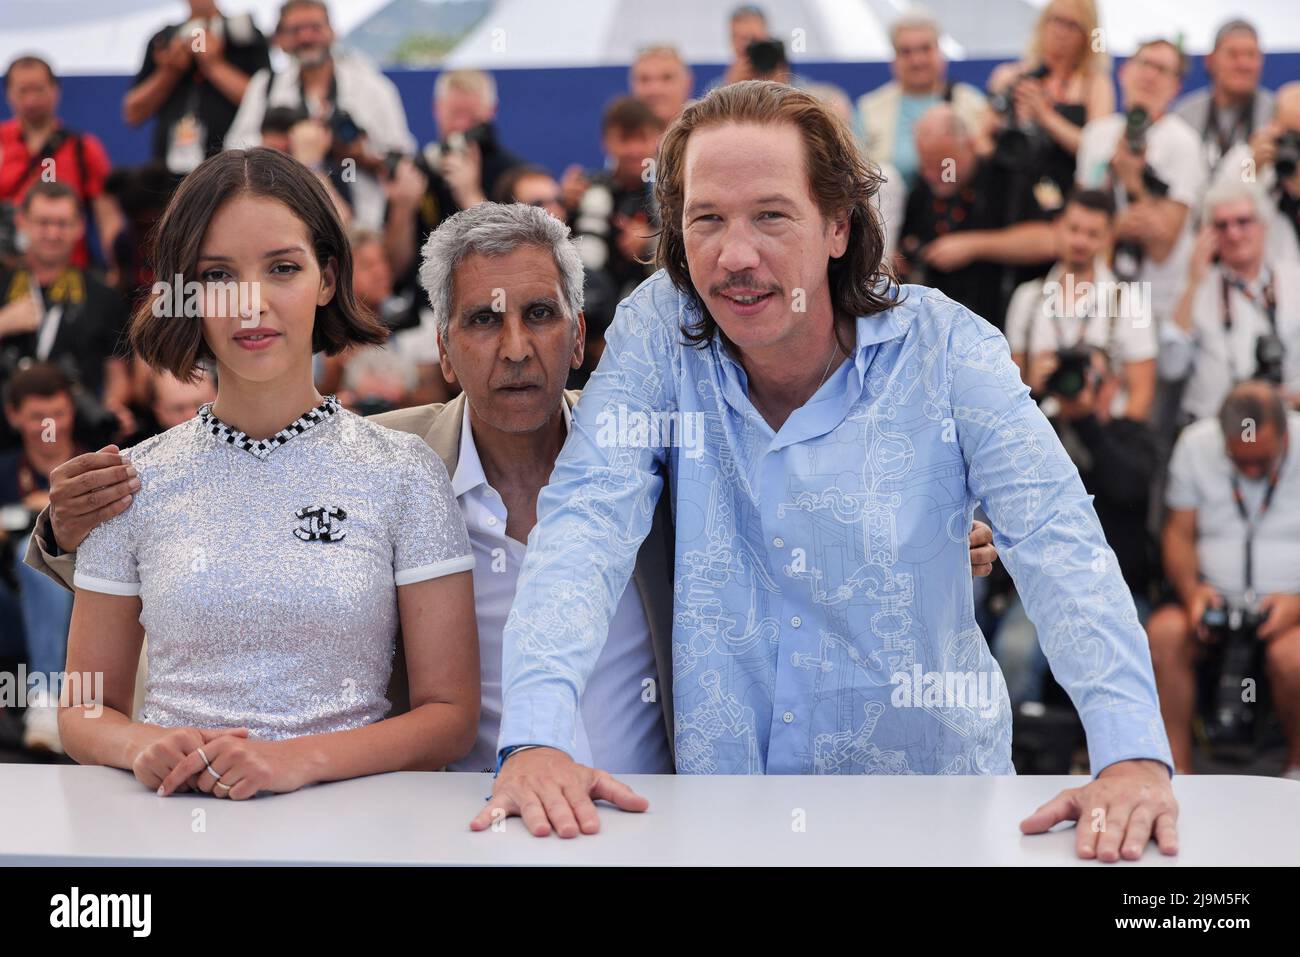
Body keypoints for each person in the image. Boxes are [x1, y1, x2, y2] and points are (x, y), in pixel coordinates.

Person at [474, 81, 1177, 863]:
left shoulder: (947, 352)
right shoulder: (658, 331)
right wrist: (534, 736)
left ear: (839, 224)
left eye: (771, 216)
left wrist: (1130, 754)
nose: (734, 256)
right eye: (706, 219)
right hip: (723, 823)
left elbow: (1056, 537)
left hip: (938, 815)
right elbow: (585, 519)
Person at [52, 147, 479, 799]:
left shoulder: (402, 473)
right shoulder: (133, 481)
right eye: (220, 274)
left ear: (328, 278)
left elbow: (449, 717)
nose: (251, 304)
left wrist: (297, 760)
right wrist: (142, 745)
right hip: (172, 834)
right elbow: (84, 709)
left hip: (354, 838)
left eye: (282, 268)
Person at [1147, 381, 1300, 777]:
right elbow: (1179, 533)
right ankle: (1176, 770)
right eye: (1239, 461)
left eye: (1261, 462)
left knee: (1292, 658)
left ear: (1285, 433)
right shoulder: (1196, 446)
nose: (1250, 471)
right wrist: (1191, 591)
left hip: (1290, 606)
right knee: (1163, 634)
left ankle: (1295, 769)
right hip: (1214, 601)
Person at [224, 0, 414, 229]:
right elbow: (233, 152)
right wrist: (280, 148)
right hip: (283, 220)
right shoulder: (266, 86)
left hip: (364, 228)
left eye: (315, 28)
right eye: (295, 31)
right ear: (281, 40)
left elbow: (402, 158)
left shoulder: (372, 88)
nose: (306, 38)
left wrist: (359, 154)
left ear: (333, 32)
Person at [1075, 39, 1205, 327]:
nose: (1150, 75)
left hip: (1158, 303)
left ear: (1176, 86)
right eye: (1144, 63)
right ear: (1124, 72)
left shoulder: (1184, 142)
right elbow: (1078, 228)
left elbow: (1162, 246)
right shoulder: (1096, 135)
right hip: (1097, 301)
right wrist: (1121, 223)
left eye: (1162, 69)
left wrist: (1133, 183)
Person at [896, 105, 1056, 327]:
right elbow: (905, 247)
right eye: (925, 165)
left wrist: (972, 246)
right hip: (938, 324)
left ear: (969, 146)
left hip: (1001, 318)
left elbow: (1049, 240)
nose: (932, 175)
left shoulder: (1006, 179)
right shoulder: (923, 190)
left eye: (943, 164)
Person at [1005, 189, 1156, 422]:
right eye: (1073, 229)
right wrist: (1035, 382)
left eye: (1093, 234)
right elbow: (1010, 386)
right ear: (1058, 226)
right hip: (1040, 432)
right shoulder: (1027, 299)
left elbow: (1141, 394)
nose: (1080, 241)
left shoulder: (1130, 301)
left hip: (1102, 435)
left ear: (1109, 237)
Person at [0, 182, 132, 434]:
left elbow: (118, 375)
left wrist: (111, 407)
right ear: (22, 222)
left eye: (62, 223)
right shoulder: (2, 285)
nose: (52, 233)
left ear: (80, 226)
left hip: (78, 437)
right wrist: (3, 323)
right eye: (43, 222)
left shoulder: (104, 296)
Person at [0, 362, 85, 753]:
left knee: (32, 550)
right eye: (37, 416)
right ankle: (44, 700)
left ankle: (46, 697)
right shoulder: (4, 472)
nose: (49, 425)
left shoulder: (100, 463)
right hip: (18, 601)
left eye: (59, 413)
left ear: (73, 410)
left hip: (94, 593)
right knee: (26, 553)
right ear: (13, 415)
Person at [1164, 181, 1300, 423]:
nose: (1233, 234)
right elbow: (1171, 366)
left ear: (1264, 225)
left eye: (1243, 222)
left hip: (1287, 424)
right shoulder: (1195, 288)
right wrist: (1193, 281)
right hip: (1214, 427)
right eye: (1221, 226)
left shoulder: (1294, 281)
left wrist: (1289, 399)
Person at [384, 69, 525, 283]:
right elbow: (393, 272)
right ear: (436, 109)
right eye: (454, 115)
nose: (461, 127)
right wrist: (402, 209)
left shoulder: (514, 175)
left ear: (492, 112)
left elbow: (516, 267)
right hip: (424, 306)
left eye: (472, 118)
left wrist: (471, 197)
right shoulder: (418, 172)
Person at [980, 0, 1114, 211]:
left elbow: (1097, 152)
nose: (1061, 33)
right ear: (1043, 23)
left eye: (1072, 25)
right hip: (1006, 189)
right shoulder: (1009, 76)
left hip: (1064, 198)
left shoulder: (1095, 84)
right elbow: (980, 139)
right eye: (1056, 21)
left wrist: (1045, 116)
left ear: (1088, 34)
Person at [1, 56, 123, 270]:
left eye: (38, 90)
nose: (31, 101)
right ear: (8, 94)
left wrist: (117, 268)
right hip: (6, 272)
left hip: (70, 274)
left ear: (56, 90)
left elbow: (108, 218)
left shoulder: (84, 148)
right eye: (22, 91)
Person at [122, 0, 270, 175]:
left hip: (233, 169)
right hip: (169, 172)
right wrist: (170, 71)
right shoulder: (164, 39)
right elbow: (133, 113)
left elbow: (265, 101)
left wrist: (214, 65)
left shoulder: (246, 36)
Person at [856, 9, 987, 188]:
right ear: (894, 59)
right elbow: (856, 172)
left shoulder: (972, 104)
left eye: (925, 49)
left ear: (940, 52)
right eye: (906, 52)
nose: (917, 60)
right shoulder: (869, 109)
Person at [570, 98, 665, 301]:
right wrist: (562, 203)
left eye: (641, 138)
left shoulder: (672, 191)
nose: (633, 150)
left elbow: (691, 243)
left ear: (659, 138)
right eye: (624, 139)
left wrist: (649, 241)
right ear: (606, 141)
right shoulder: (585, 189)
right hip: (592, 304)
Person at [1212, 81, 1300, 268]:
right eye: (1290, 133)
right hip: (1259, 274)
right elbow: (1226, 206)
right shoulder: (1245, 157)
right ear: (1273, 125)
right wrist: (1253, 166)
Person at [1173, 19, 1274, 179]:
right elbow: (1179, 185)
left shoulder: (1276, 115)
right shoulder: (1184, 117)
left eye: (1251, 55)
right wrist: (1250, 163)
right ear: (1210, 61)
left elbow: (1257, 185)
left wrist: (1250, 167)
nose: (1244, 64)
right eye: (1233, 55)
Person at [630, 46, 694, 126]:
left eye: (666, 78)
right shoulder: (617, 134)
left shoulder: (706, 134)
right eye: (645, 79)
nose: (655, 89)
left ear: (688, 83)